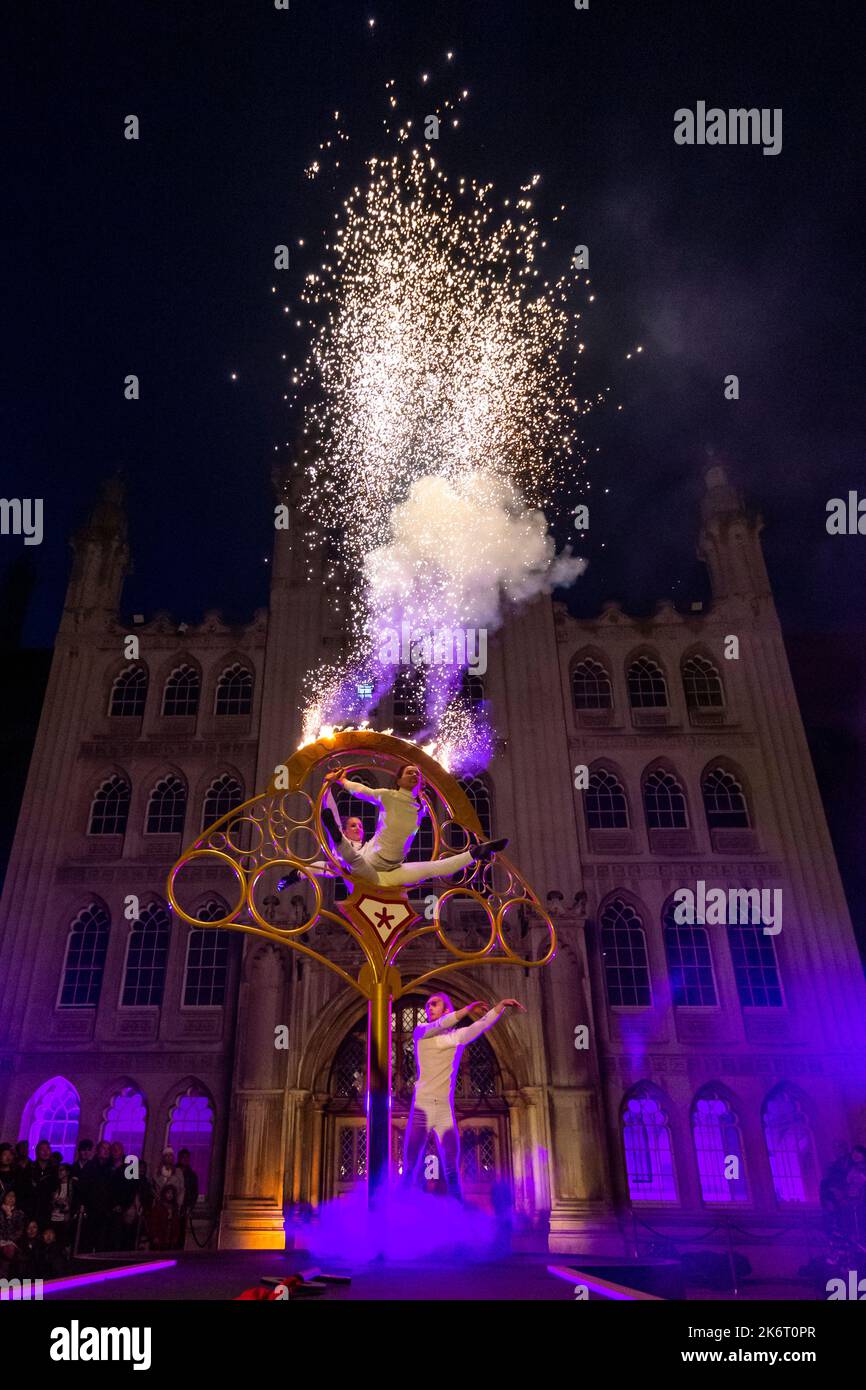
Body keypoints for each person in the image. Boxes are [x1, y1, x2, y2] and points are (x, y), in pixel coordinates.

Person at [401, 992, 526, 1201]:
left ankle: (458, 1213)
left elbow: (481, 1025)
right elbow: (442, 1024)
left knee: (451, 1168)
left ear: (446, 1009)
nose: (428, 1008)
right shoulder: (421, 1032)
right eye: (427, 1005)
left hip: (443, 1109)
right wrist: (467, 1010)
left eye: (434, 1004)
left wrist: (500, 1006)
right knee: (411, 1165)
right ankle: (398, 1213)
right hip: (422, 1107)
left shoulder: (456, 1037)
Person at [320, 763, 507, 889]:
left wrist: (421, 794)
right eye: (409, 772)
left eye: (417, 773)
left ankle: (477, 853)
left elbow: (418, 804)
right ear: (399, 780)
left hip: (392, 872)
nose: (414, 774)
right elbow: (363, 791)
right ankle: (335, 833)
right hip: (370, 866)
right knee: (355, 861)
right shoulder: (388, 796)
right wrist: (342, 781)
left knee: (434, 868)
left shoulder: (420, 808)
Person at [177, 1149, 199, 1247]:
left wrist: (190, 1206)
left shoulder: (192, 1175)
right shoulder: (173, 1172)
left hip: (185, 1205)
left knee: (181, 1230)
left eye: (187, 1158)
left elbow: (194, 1192)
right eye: (183, 1157)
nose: (185, 1160)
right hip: (172, 1204)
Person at [0, 1190, 26, 1274]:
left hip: (12, 1243)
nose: (11, 1198)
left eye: (13, 1196)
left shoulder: (19, 1213)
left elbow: (19, 1231)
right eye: (9, 1196)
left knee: (9, 1250)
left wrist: (9, 1216)